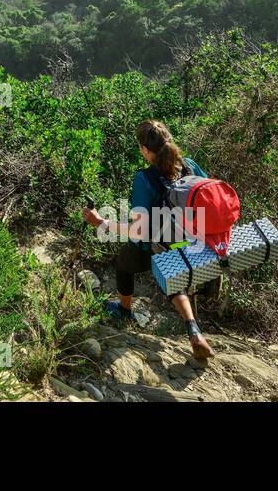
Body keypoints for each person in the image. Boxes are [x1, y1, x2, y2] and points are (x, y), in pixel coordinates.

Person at [81, 119, 217, 361]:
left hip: (158, 244)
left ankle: (124, 310)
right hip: (193, 241)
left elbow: (139, 231)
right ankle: (194, 330)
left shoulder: (145, 179)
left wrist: (101, 223)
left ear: (145, 150)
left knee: (125, 263)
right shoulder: (190, 165)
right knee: (175, 277)